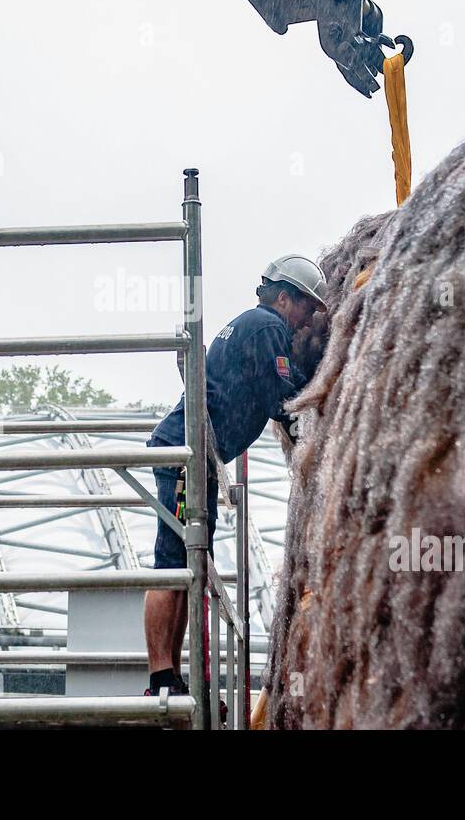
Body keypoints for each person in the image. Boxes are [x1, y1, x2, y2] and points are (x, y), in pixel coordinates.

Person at [143, 254, 327, 697]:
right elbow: (281, 399)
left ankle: (169, 676)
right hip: (184, 455)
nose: (308, 320)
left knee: (188, 567)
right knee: (172, 564)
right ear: (284, 298)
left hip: (197, 457)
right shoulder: (267, 327)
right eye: (307, 307)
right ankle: (160, 676)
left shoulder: (253, 325)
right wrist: (321, 433)